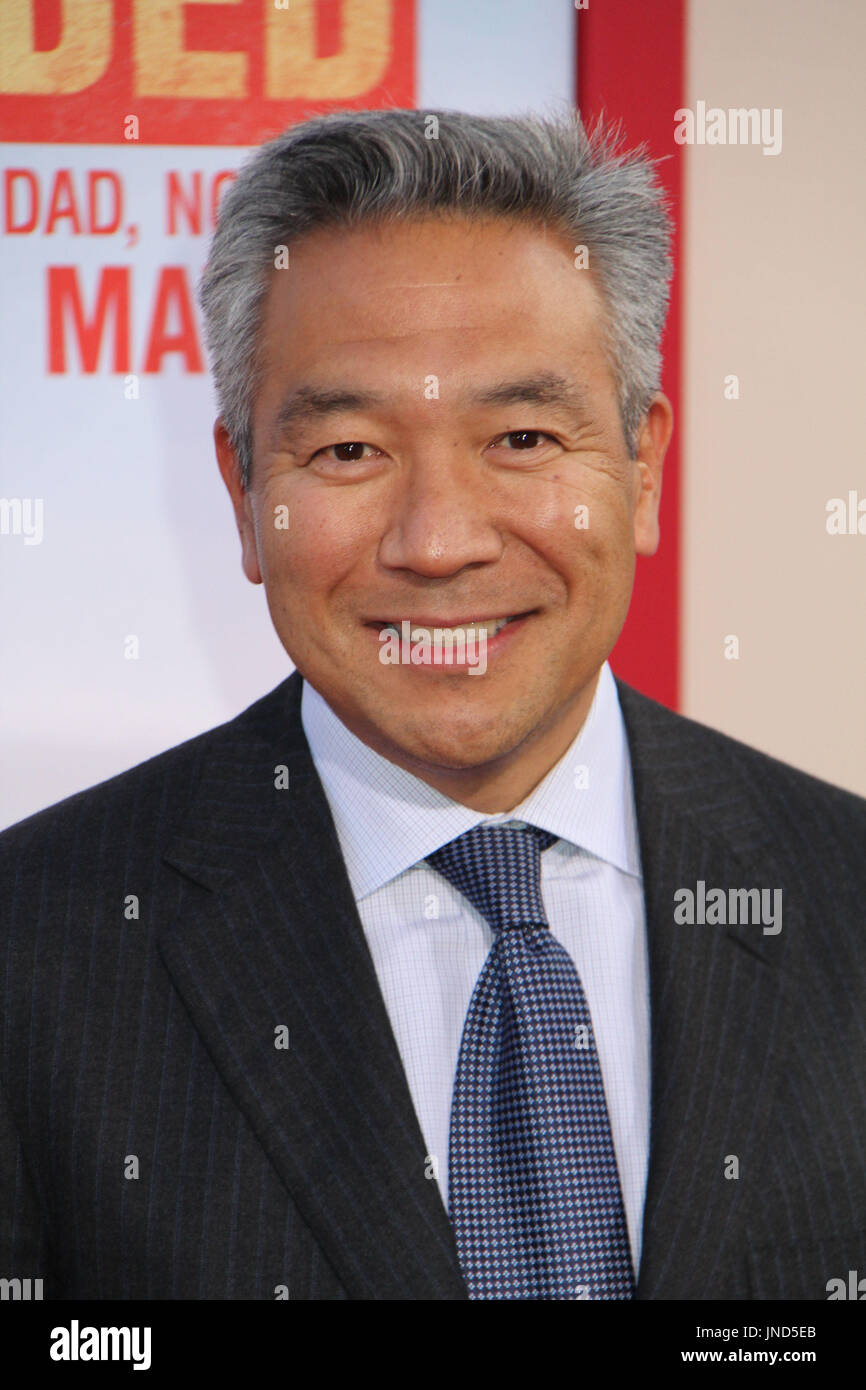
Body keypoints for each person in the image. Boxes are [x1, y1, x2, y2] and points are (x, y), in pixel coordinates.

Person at [2, 108, 864, 1302]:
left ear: (643, 467)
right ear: (245, 493)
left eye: (520, 435)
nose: (439, 542)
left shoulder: (842, 889)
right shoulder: (34, 949)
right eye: (348, 452)